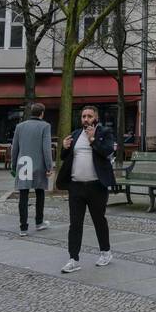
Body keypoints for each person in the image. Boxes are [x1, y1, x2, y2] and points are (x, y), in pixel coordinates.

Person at [56, 107, 117, 272]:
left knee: (99, 220)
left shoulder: (105, 132)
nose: (86, 119)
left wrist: (92, 139)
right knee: (75, 223)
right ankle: (73, 259)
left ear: (96, 117)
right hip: (76, 186)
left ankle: (106, 252)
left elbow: (107, 151)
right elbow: (64, 157)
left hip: (96, 186)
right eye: (83, 116)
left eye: (89, 116)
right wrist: (64, 147)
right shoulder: (75, 134)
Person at [11, 102, 53, 236]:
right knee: (40, 193)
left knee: (23, 196)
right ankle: (39, 222)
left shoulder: (20, 126)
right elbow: (46, 149)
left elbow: (14, 148)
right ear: (42, 113)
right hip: (39, 165)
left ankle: (23, 227)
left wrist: (13, 166)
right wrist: (49, 166)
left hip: (23, 164)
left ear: (31, 113)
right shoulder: (45, 126)